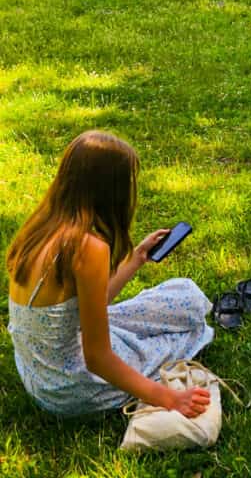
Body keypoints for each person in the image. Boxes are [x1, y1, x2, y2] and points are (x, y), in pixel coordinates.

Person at [7, 130, 213, 418]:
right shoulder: (87, 247)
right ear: (111, 189)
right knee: (187, 332)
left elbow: (85, 307)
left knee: (185, 296)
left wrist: (136, 259)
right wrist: (167, 398)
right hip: (71, 386)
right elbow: (98, 358)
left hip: (41, 375)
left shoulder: (41, 227)